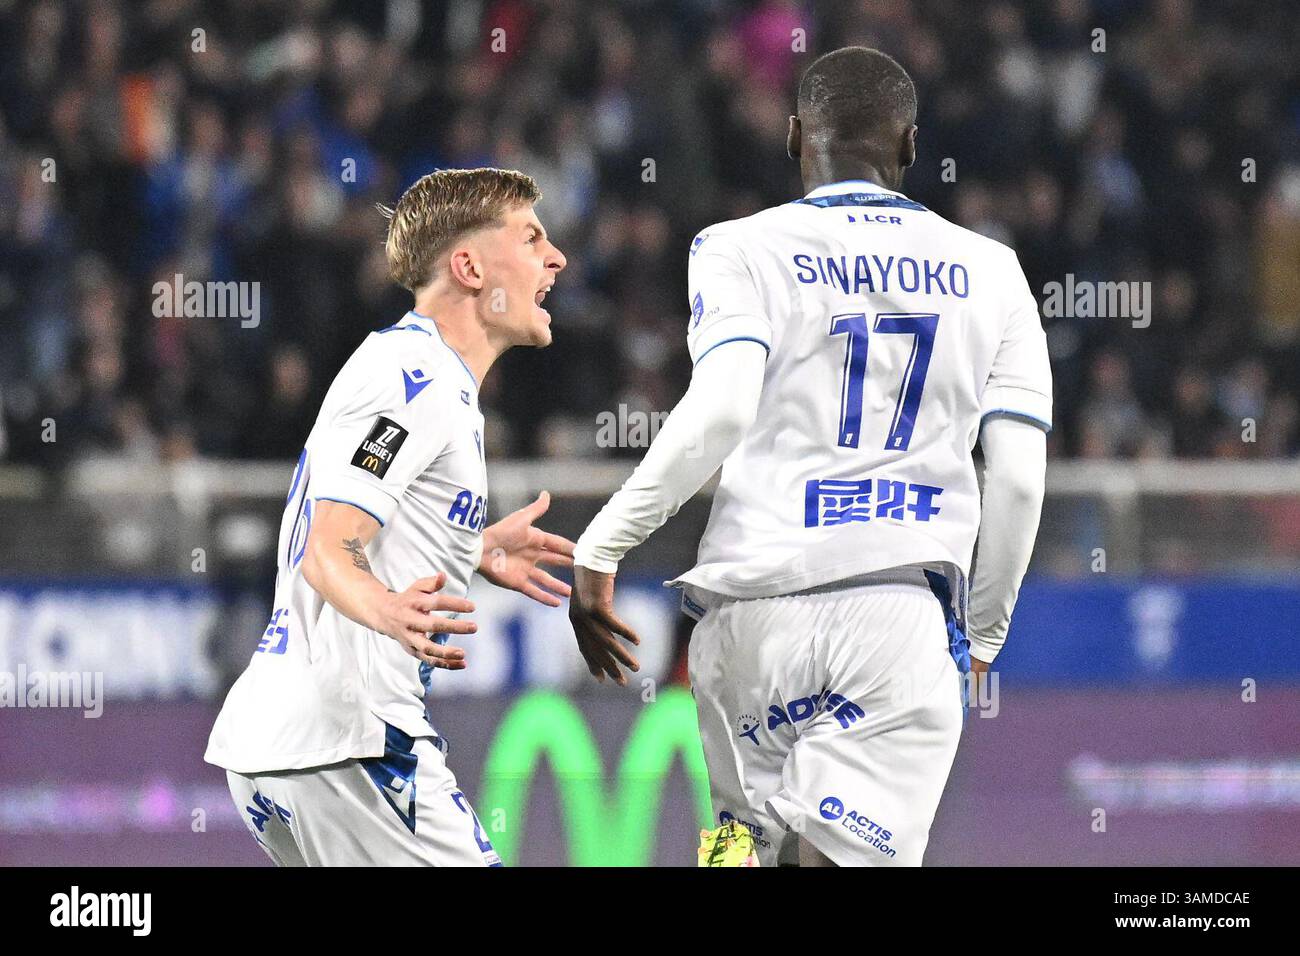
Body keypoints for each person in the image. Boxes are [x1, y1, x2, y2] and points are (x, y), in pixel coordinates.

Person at [568, 48, 1051, 866]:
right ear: (910, 144)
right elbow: (1015, 479)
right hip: (894, 611)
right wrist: (986, 635)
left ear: (795, 136)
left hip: (742, 620)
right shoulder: (993, 269)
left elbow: (719, 410)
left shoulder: (735, 246)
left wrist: (602, 542)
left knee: (740, 846)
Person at [206, 167, 574, 866]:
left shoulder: (426, 376)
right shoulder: (418, 377)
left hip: (295, 746)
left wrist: (470, 548)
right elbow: (329, 545)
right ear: (469, 266)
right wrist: (388, 609)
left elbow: (361, 525)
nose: (554, 258)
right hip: (351, 739)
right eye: (531, 239)